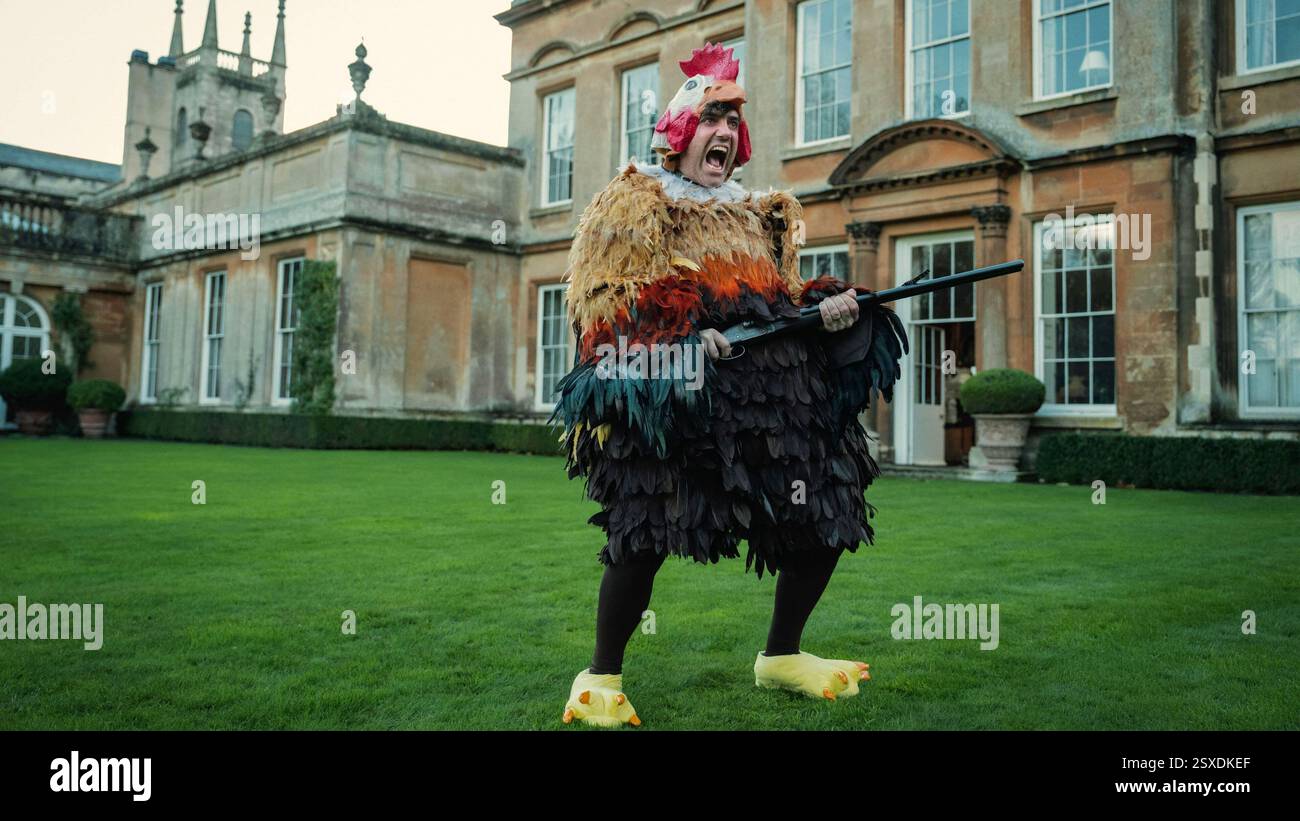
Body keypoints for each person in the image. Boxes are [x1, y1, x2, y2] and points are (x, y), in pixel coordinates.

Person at [549, 43, 907, 727]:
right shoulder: (636, 201)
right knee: (645, 529)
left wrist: (827, 311)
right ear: (682, 131)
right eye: (712, 116)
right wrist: (680, 335)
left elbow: (782, 300)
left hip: (771, 405)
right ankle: (599, 677)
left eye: (733, 122)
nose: (725, 132)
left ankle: (781, 655)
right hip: (683, 402)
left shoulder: (760, 212)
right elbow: (606, 308)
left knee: (830, 502)